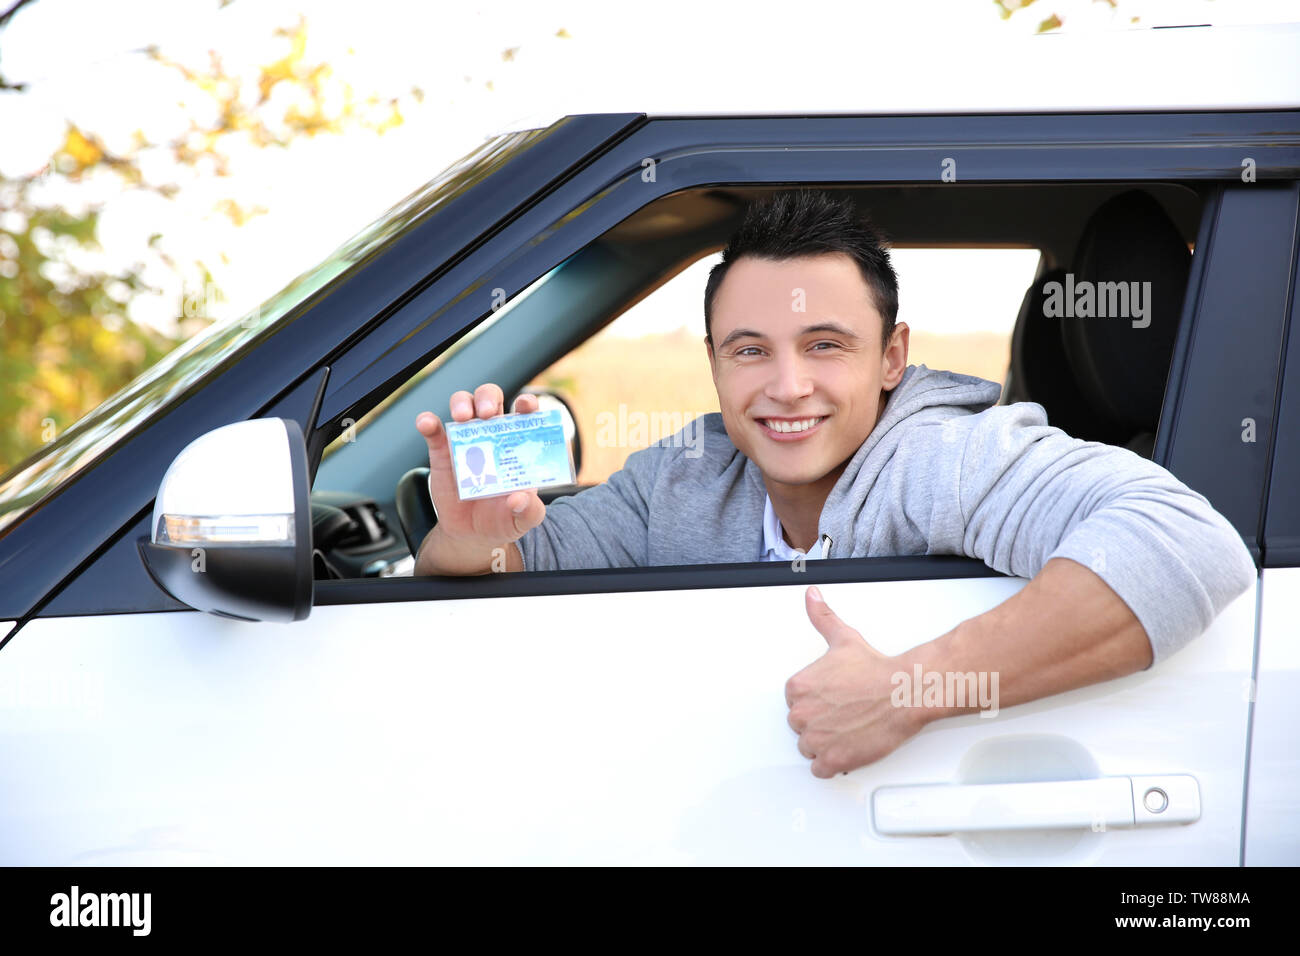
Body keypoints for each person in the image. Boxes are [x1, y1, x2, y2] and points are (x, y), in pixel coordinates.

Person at [411, 190, 1255, 778]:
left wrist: (910, 690)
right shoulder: (681, 476)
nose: (786, 386)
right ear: (712, 362)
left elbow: (1186, 541)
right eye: (749, 349)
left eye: (824, 345)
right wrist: (472, 541)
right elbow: (523, 573)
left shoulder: (943, 458)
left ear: (892, 358)